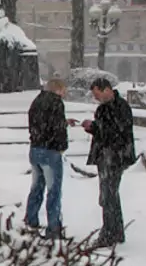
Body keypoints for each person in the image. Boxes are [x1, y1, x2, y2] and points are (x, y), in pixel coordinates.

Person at [82, 77, 137, 247]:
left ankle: (109, 233)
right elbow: (106, 132)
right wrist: (94, 129)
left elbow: (115, 132)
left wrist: (94, 127)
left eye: (97, 94)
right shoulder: (104, 109)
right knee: (110, 194)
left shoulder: (121, 108)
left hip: (114, 157)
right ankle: (115, 231)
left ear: (106, 89)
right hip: (106, 156)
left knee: (108, 195)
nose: (96, 98)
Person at [25, 78, 73, 238]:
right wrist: (61, 147)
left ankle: (30, 220)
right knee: (54, 191)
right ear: (58, 89)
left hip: (35, 148)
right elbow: (56, 128)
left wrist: (63, 122)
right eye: (64, 90)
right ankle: (54, 228)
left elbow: (41, 123)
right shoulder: (56, 103)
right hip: (50, 151)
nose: (65, 93)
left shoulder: (37, 101)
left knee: (36, 188)